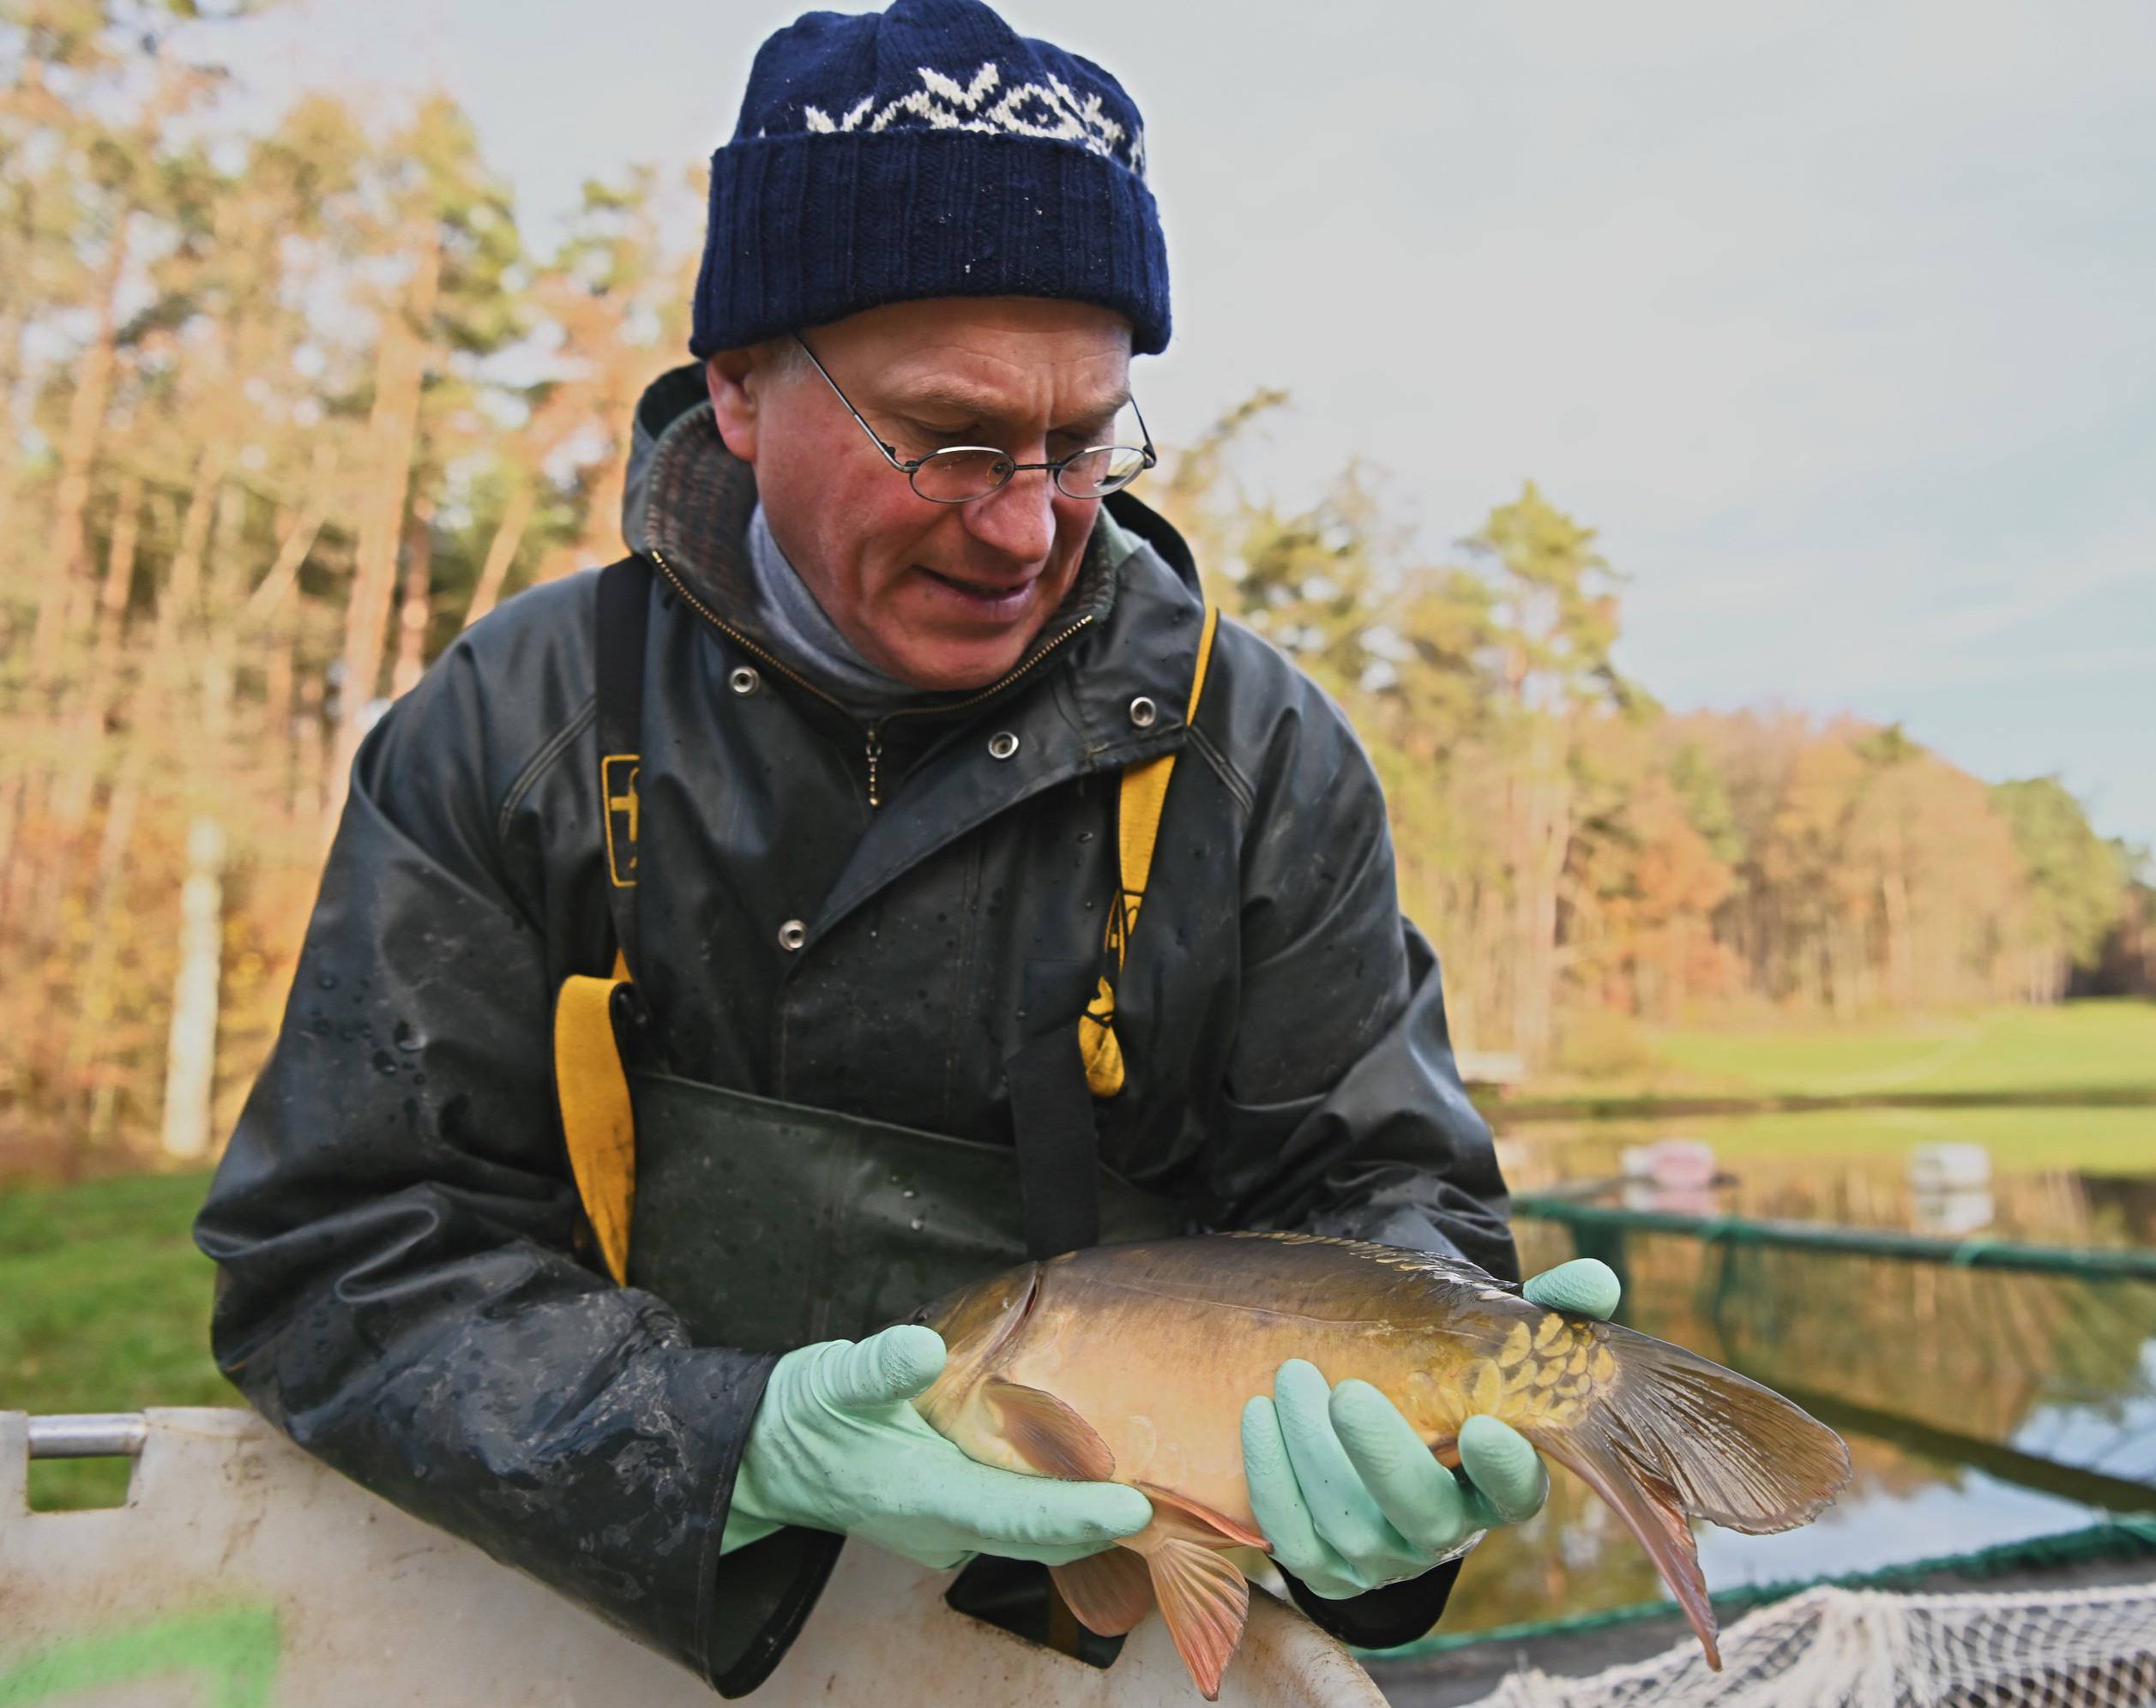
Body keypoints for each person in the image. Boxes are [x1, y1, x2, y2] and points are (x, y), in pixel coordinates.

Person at [194, 0, 1619, 1694]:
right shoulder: (526, 726)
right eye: (946, 438)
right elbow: (337, 1252)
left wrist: (1400, 1505)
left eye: (1081, 443)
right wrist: (718, 1442)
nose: (1022, 523)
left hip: (1100, 1652)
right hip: (593, 1630)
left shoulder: (1260, 758)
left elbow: (1389, 1202)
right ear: (737, 388)